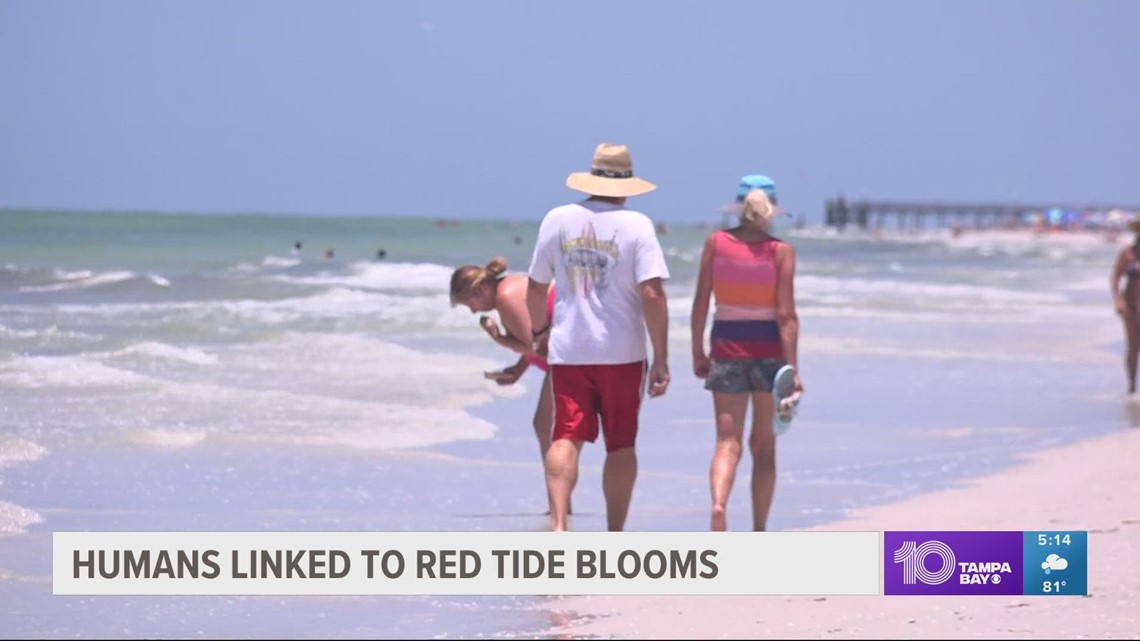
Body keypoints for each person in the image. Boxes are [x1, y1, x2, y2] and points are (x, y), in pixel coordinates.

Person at [526, 142, 671, 532]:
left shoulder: (556, 218)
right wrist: (661, 357)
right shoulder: (637, 225)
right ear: (626, 184)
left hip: (569, 350)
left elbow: (536, 288)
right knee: (620, 444)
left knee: (565, 436)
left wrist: (540, 332)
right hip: (622, 353)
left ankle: (559, 525)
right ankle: (614, 537)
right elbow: (652, 294)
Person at [691, 182, 803, 532]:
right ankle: (758, 529)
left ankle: (719, 504)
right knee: (764, 444)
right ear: (772, 211)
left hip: (726, 348)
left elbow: (700, 303)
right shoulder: (781, 251)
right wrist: (793, 370)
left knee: (727, 441)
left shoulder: (716, 243)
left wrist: (698, 349)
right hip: (769, 353)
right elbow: (786, 315)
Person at [450, 258, 559, 503]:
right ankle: (561, 506)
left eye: (470, 304)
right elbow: (536, 338)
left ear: (480, 290)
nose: (474, 311)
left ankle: (559, 508)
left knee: (545, 427)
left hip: (572, 358)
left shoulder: (507, 297)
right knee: (550, 428)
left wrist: (498, 338)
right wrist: (520, 369)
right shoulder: (510, 288)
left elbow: (542, 350)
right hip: (575, 352)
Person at [1110, 217, 1140, 393]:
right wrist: (1119, 300)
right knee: (1133, 347)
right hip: (1131, 307)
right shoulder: (1128, 253)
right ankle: (1131, 387)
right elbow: (1115, 278)